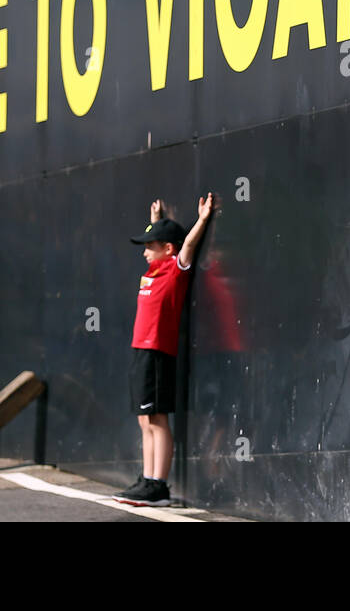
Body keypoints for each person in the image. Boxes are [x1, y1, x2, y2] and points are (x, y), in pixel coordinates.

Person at [113, 192, 216, 506]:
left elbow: (185, 247)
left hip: (158, 352)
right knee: (144, 420)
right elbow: (165, 241)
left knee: (157, 420)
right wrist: (156, 223)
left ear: (167, 250)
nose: (145, 253)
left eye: (149, 247)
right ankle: (147, 480)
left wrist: (202, 219)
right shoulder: (153, 270)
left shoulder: (174, 269)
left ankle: (159, 485)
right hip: (140, 351)